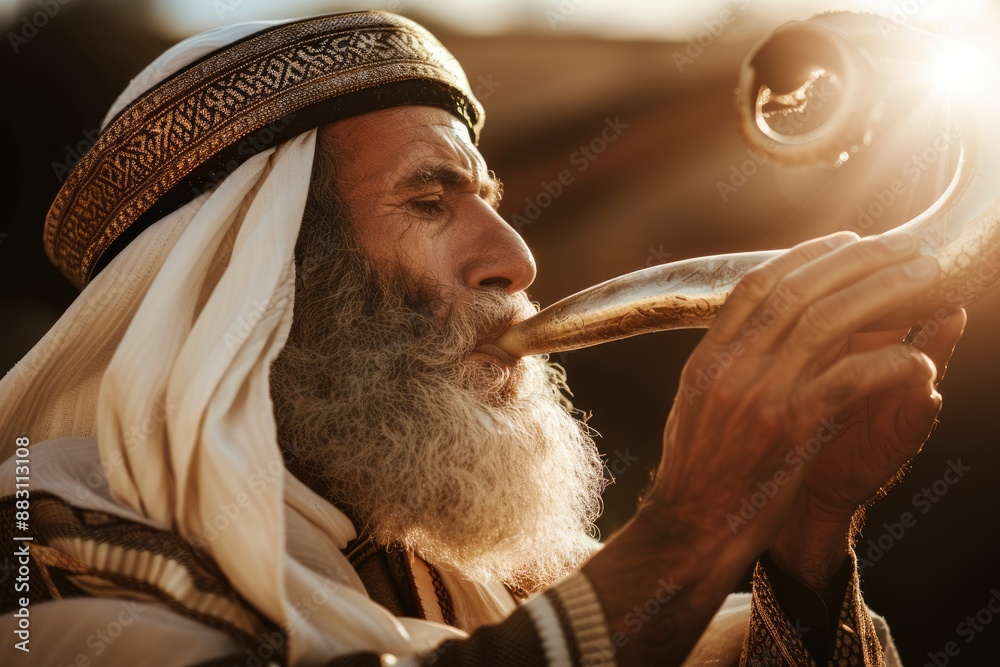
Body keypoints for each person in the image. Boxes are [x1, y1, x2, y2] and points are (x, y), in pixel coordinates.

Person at [0, 11, 963, 666]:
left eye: (490, 201)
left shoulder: (488, 581)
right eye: (430, 198)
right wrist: (687, 525)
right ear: (256, 280)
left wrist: (805, 517)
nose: (515, 258)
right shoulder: (46, 561)